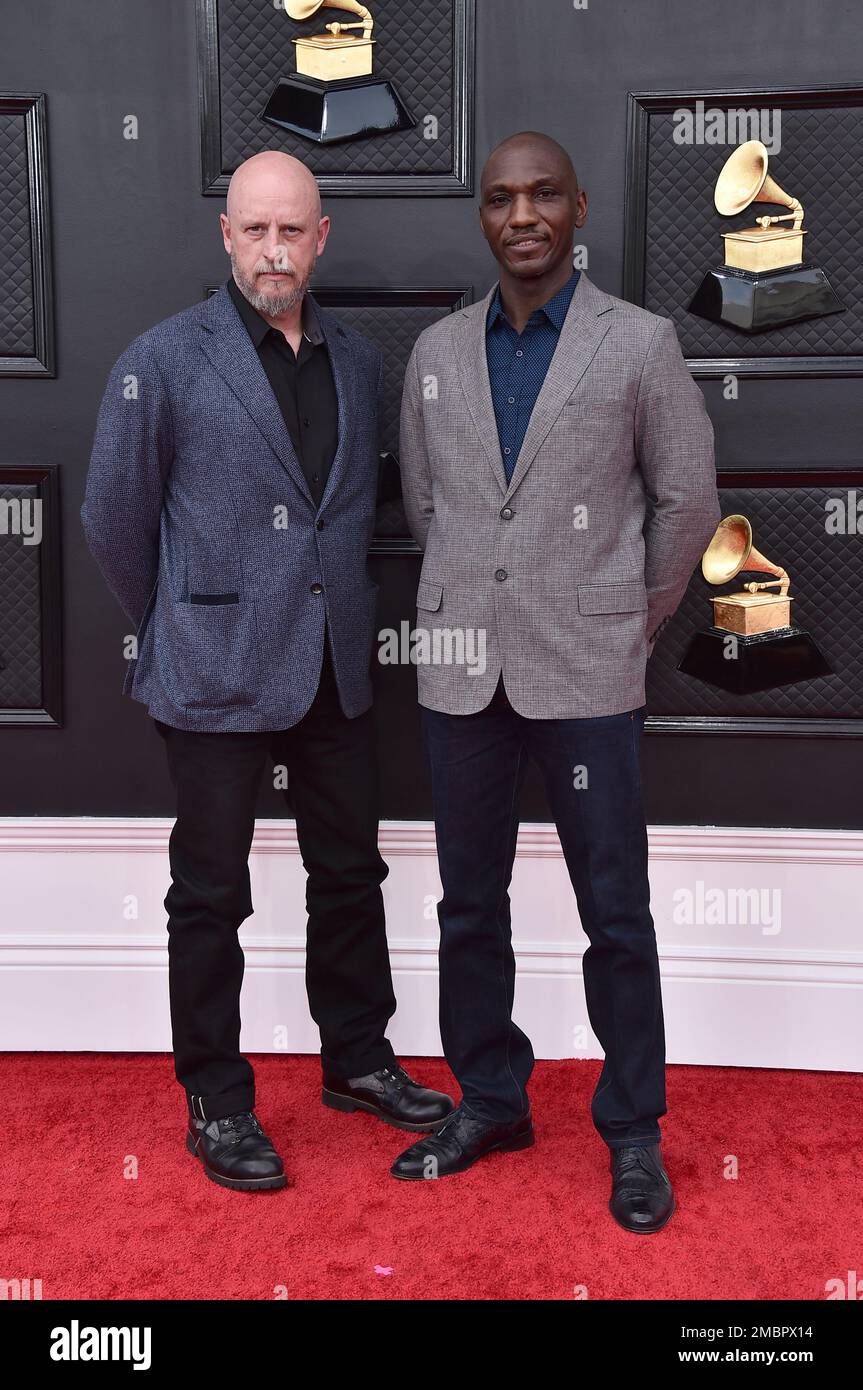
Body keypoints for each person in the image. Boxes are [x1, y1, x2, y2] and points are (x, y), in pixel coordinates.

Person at [82, 150, 453, 1193]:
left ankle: (359, 1061)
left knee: (351, 876)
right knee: (208, 895)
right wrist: (181, 618)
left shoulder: (359, 360)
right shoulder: (163, 359)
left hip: (333, 669)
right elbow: (114, 518)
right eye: (255, 230)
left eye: (292, 230)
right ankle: (215, 1099)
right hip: (213, 673)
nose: (274, 249)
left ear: (320, 237)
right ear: (227, 236)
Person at [395, 131, 720, 1233]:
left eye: (541, 195)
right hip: (458, 673)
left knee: (614, 915)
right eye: (499, 198)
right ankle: (490, 1098)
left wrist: (626, 617)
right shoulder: (436, 353)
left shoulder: (637, 345)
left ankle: (633, 1133)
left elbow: (684, 502)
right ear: (481, 217)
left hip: (587, 667)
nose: (521, 213)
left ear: (577, 208)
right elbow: (430, 508)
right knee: (463, 908)